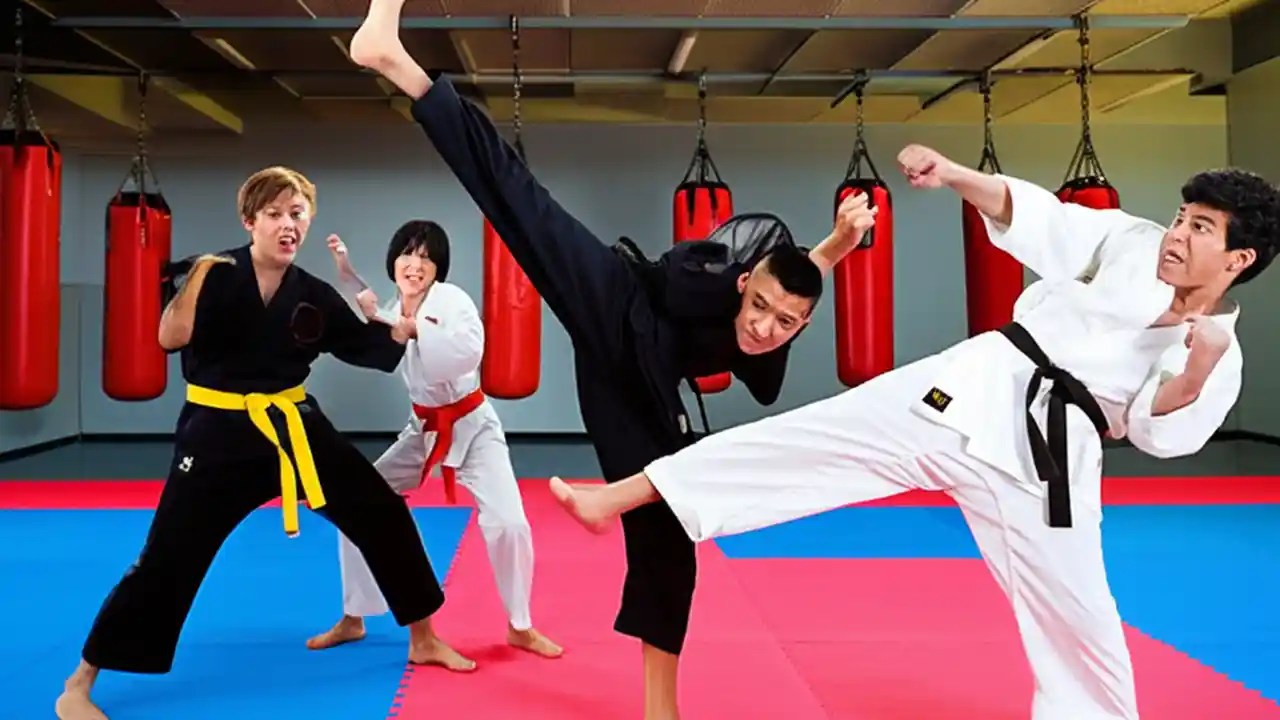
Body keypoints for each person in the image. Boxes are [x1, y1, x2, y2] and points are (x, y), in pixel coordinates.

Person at [549, 145, 1280, 720]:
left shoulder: (1220, 353)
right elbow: (1046, 221)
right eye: (1184, 216)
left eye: (1201, 228)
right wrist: (957, 172)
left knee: (1080, 614)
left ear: (1238, 259)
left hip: (1053, 458)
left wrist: (1191, 375)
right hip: (977, 385)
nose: (1178, 234)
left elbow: (1158, 432)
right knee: (820, 435)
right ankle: (631, 492)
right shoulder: (1131, 241)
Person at [346, 3, 875, 717]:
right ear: (743, 282)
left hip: (642, 390)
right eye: (761, 309)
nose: (766, 329)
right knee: (519, 200)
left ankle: (661, 707)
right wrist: (834, 245)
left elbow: (791, 296)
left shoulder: (773, 328)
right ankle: (395, 59)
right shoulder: (709, 273)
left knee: (670, 538)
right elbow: (771, 274)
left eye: (787, 325)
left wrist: (831, 258)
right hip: (615, 303)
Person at [55, 167, 475, 720]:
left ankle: (423, 635)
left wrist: (409, 321)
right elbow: (168, 337)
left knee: (380, 511)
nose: (288, 224)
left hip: (293, 426)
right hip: (216, 434)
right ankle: (80, 682)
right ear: (250, 220)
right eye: (275, 213)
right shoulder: (216, 274)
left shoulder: (313, 295)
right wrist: (197, 279)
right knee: (167, 558)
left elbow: (368, 345)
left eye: (297, 214)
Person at [305, 220, 563, 659]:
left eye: (426, 256)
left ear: (438, 267)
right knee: (356, 502)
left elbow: (464, 353)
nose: (415, 264)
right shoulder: (393, 308)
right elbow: (370, 313)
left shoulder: (453, 301)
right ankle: (355, 616)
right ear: (394, 262)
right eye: (407, 254)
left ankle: (520, 624)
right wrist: (346, 270)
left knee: (509, 523)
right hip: (422, 430)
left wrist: (418, 331)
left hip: (473, 424)